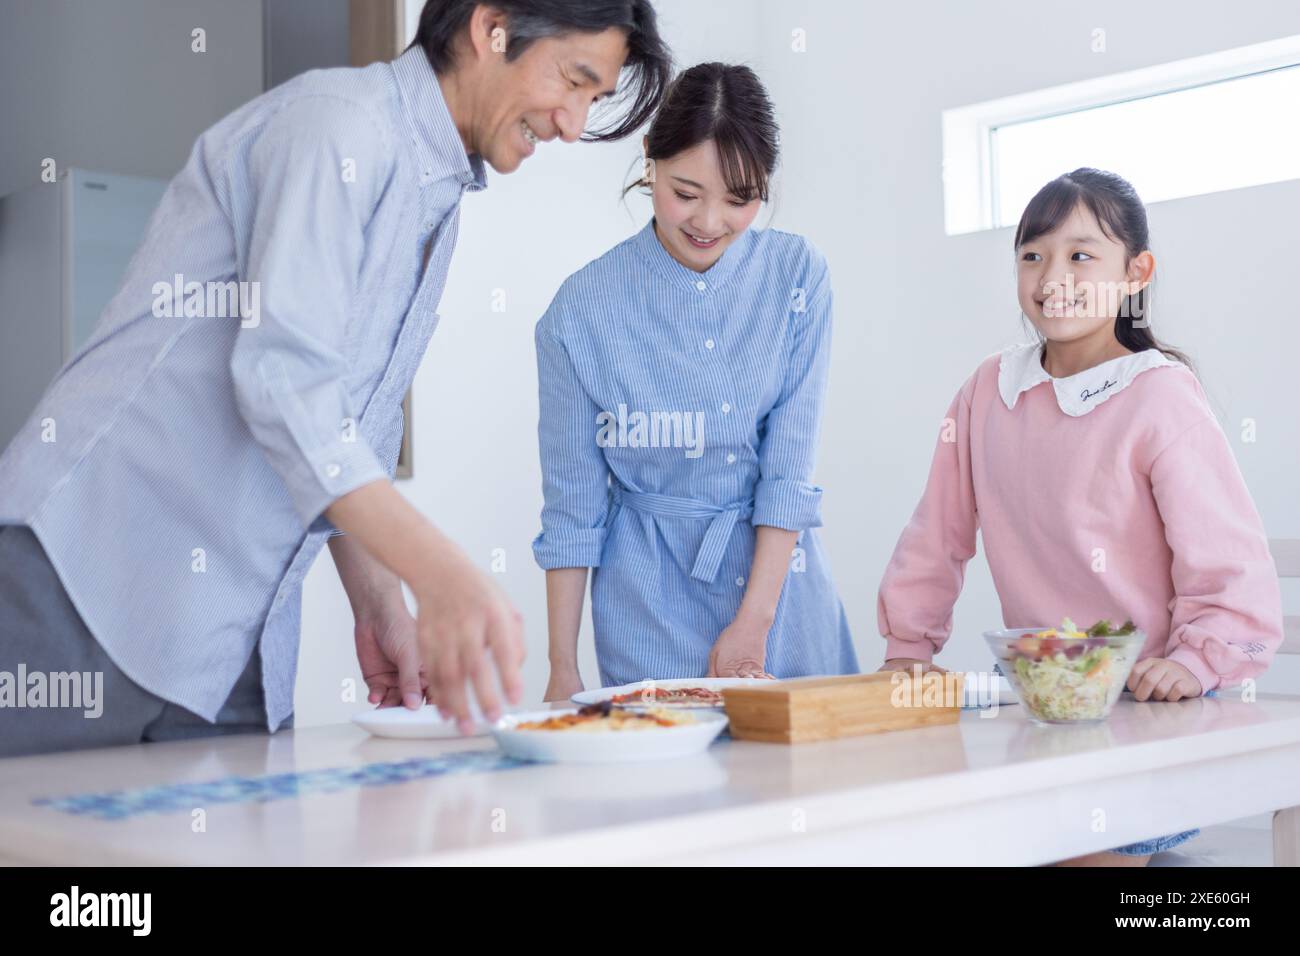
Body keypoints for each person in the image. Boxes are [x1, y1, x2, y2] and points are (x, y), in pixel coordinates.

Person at [0, 0, 672, 757]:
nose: (573, 124)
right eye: (575, 81)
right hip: (86, 577)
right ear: (492, 29)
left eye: (594, 99)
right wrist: (443, 574)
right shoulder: (338, 125)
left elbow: (349, 424)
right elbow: (283, 385)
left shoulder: (439, 194)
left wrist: (380, 594)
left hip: (229, 636)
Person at [875, 167, 1284, 865]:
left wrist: (1194, 660)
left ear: (1136, 272)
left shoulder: (1161, 399)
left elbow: (1231, 567)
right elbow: (935, 535)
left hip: (1148, 728)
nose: (1051, 274)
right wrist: (907, 653)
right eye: (1032, 255)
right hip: (1036, 724)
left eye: (1081, 255)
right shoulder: (988, 391)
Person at [533, 63, 858, 700]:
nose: (710, 221)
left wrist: (753, 624)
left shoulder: (796, 276)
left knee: (818, 792)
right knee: (669, 793)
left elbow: (788, 473)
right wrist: (562, 669)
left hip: (782, 601)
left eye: (740, 200)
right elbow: (573, 510)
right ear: (650, 161)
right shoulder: (579, 311)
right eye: (686, 192)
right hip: (647, 608)